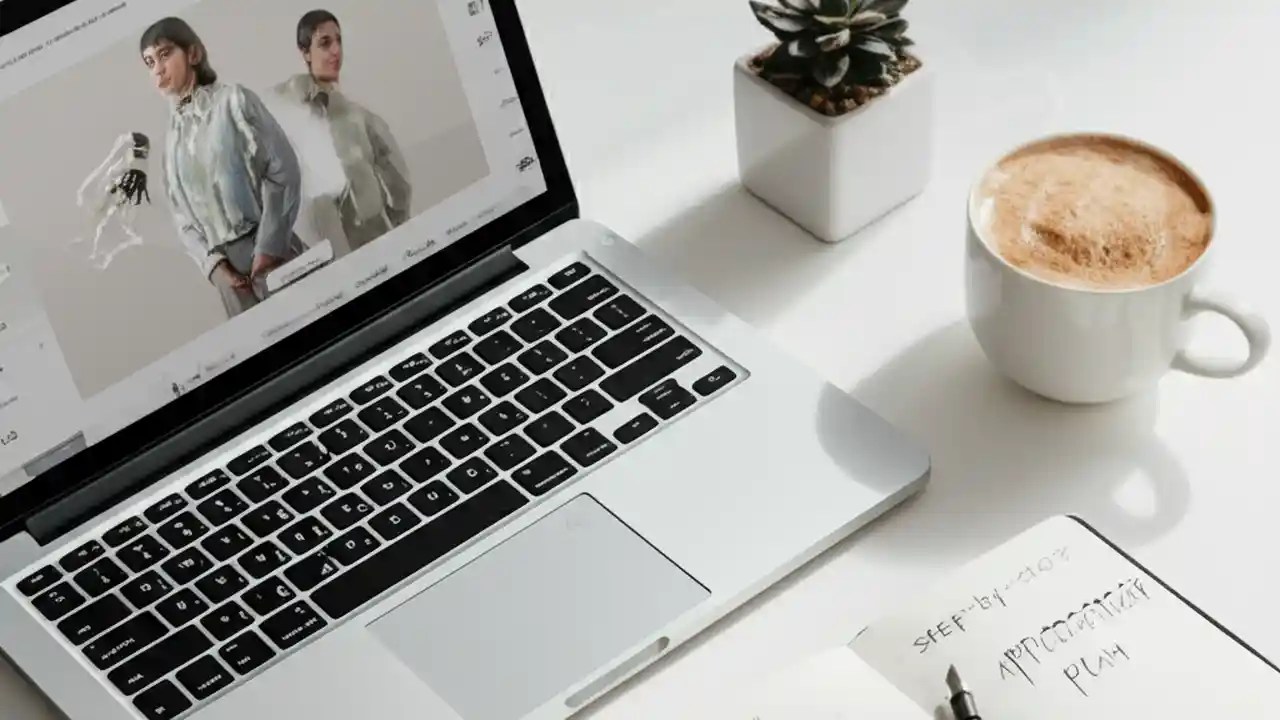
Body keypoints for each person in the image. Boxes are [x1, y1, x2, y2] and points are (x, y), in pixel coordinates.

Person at [141, 17, 306, 319]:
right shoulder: (172, 139)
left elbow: (284, 171)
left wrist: (268, 248)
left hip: (270, 251)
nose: (158, 69)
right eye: (150, 62)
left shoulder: (233, 101)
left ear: (193, 54)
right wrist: (216, 268)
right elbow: (181, 217)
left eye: (165, 55)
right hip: (228, 277)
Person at [274, 10, 412, 255]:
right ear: (305, 52)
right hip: (327, 257)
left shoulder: (361, 118)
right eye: (325, 43)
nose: (336, 51)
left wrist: (395, 224)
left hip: (378, 245)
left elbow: (399, 183)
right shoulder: (288, 110)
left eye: (339, 41)